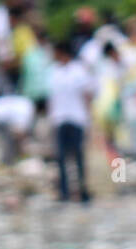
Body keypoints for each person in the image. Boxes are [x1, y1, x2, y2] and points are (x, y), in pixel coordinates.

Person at [48, 39, 95, 201]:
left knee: (78, 155)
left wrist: (89, 118)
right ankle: (64, 191)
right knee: (61, 156)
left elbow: (87, 95)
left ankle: (82, 189)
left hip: (77, 117)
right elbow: (51, 98)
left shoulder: (79, 70)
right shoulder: (54, 71)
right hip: (60, 118)